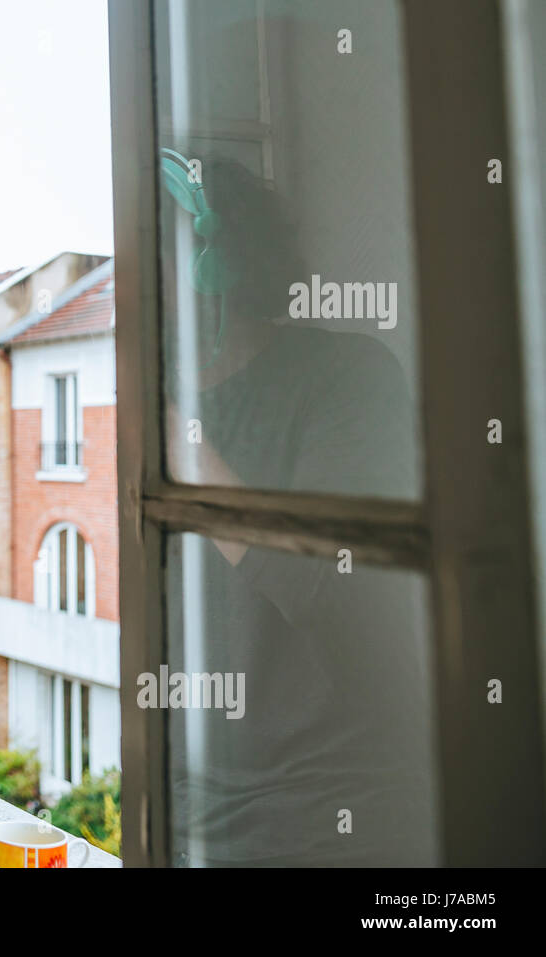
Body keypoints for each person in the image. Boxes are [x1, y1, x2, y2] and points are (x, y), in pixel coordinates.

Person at [159, 153, 437, 865]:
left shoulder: (348, 379)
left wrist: (184, 451)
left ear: (216, 266)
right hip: (196, 805)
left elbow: (322, 582)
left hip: (336, 810)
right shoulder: (162, 410)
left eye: (150, 251)